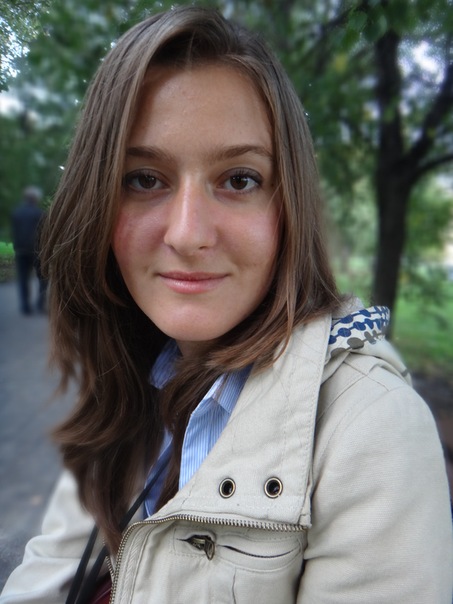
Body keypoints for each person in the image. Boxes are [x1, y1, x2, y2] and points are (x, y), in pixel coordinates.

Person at [1, 6, 452, 603]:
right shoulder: (132, 376)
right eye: (144, 179)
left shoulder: (370, 428)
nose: (188, 234)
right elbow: (47, 574)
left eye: (239, 179)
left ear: (287, 206)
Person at [10, 186, 47, 314]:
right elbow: (43, 233)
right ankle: (40, 304)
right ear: (35, 199)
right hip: (36, 251)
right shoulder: (40, 214)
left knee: (23, 279)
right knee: (43, 277)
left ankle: (25, 306)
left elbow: (14, 232)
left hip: (21, 250)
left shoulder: (16, 213)